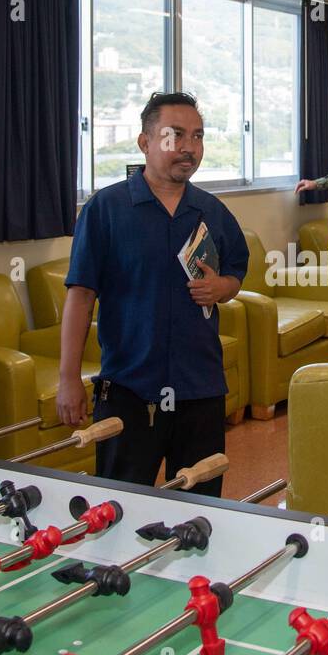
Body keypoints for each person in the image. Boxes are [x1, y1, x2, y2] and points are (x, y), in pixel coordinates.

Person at [57, 92, 249, 497]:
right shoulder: (106, 209)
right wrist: (68, 378)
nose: (189, 148)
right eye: (174, 135)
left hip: (200, 389)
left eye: (197, 137)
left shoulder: (212, 212)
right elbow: (80, 297)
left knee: (200, 513)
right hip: (129, 390)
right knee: (117, 511)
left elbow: (235, 273)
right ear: (145, 142)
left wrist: (222, 288)